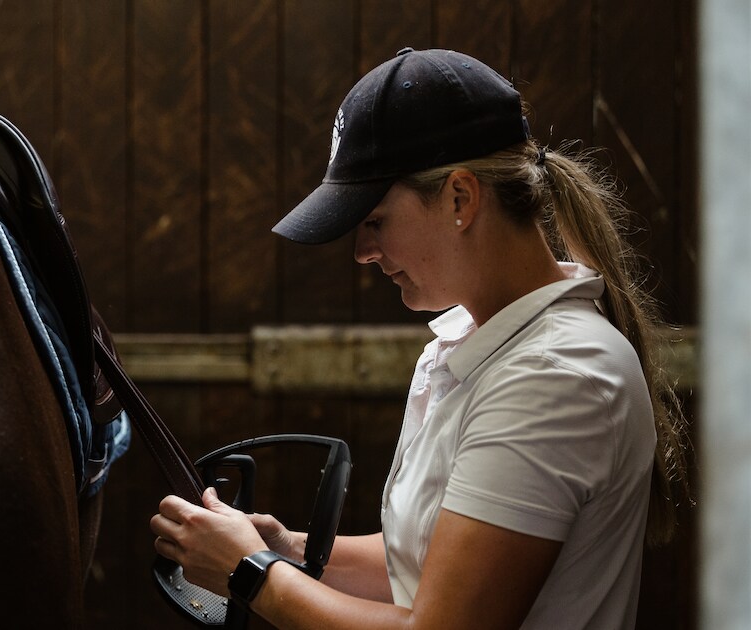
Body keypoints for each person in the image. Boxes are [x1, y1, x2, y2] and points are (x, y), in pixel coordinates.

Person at [150, 47, 687, 629]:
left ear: (460, 197)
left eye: (375, 221)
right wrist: (289, 549)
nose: (361, 253)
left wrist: (250, 573)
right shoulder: (470, 347)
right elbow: (432, 561)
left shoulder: (554, 374)